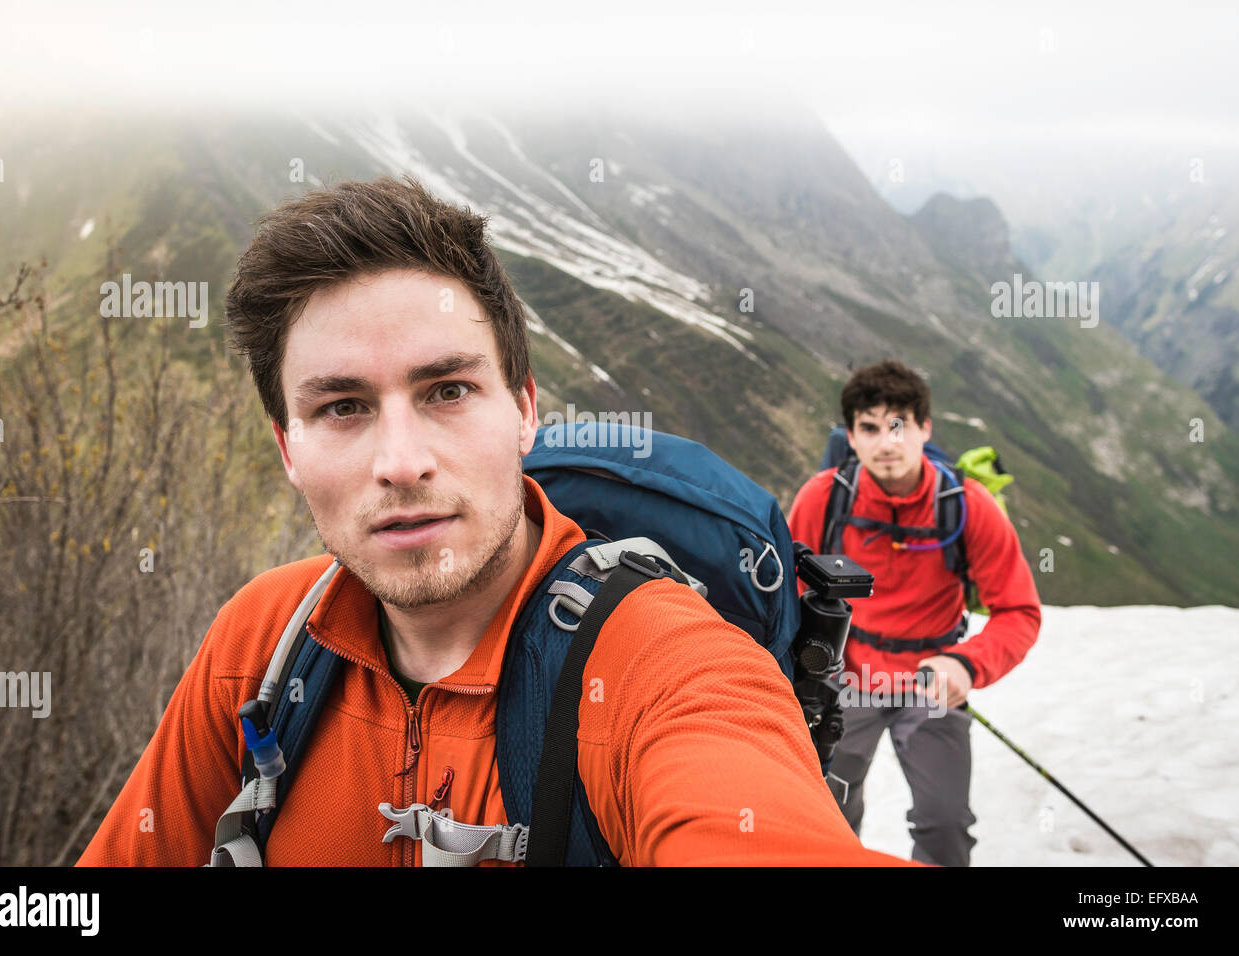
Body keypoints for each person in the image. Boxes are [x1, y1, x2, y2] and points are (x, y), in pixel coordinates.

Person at [76, 175, 917, 867]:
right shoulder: (263, 644)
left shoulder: (661, 663)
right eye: (341, 407)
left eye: (447, 391)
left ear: (523, 414)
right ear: (287, 448)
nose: (401, 462)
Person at [786, 360, 1041, 867]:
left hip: (931, 683)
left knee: (944, 825)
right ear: (852, 437)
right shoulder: (825, 497)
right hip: (846, 682)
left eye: (899, 424)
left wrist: (965, 665)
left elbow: (1019, 611)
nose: (886, 442)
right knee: (828, 810)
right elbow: (790, 597)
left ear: (925, 428)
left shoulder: (967, 506)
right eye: (870, 428)